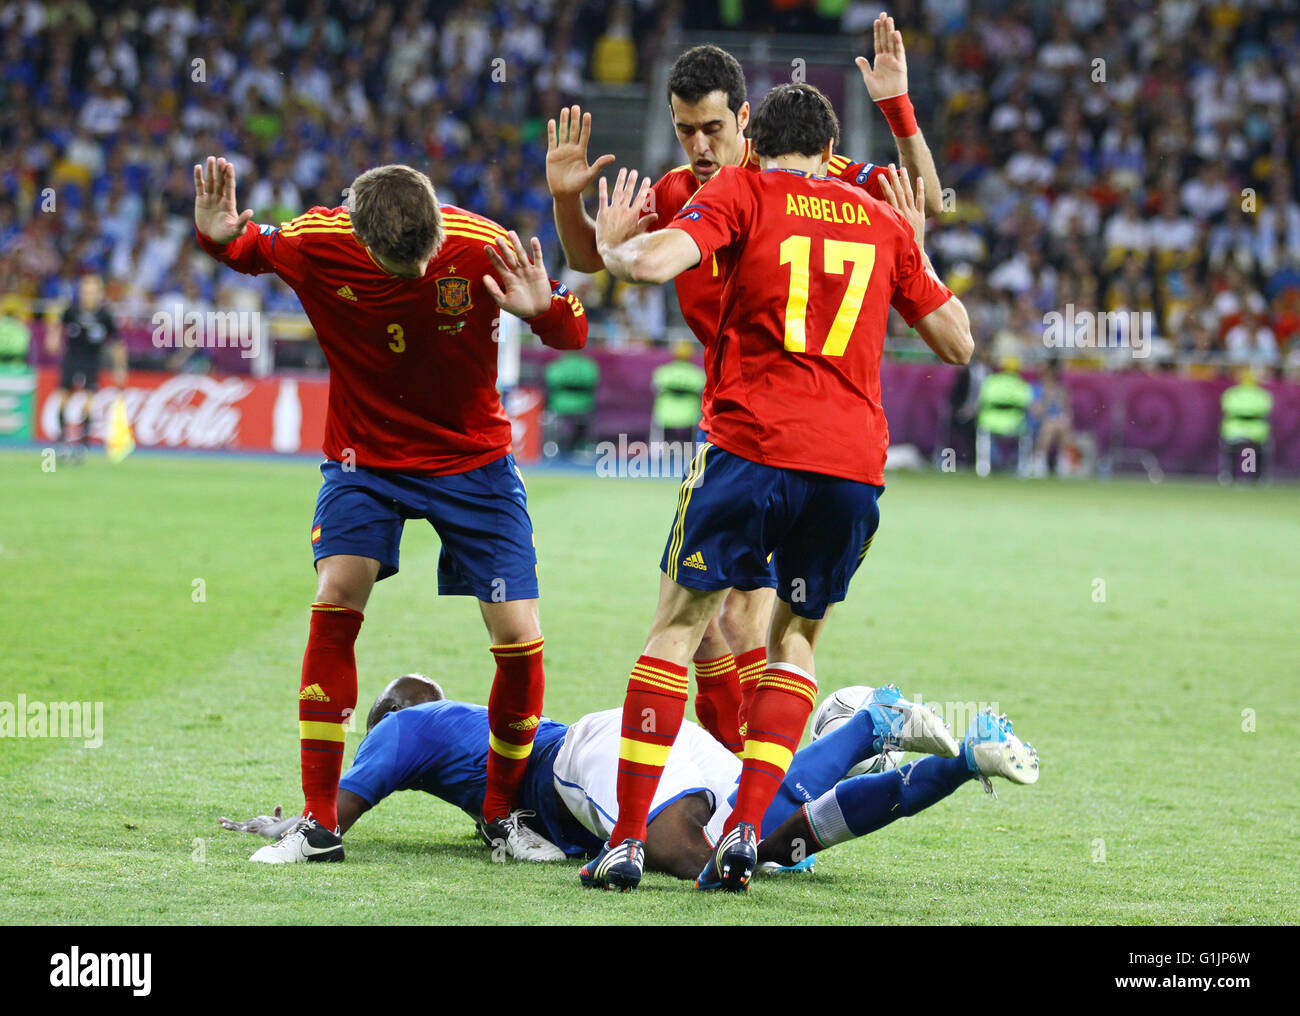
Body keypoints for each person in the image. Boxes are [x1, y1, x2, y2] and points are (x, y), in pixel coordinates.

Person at [583, 82, 972, 892]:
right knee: (794, 640)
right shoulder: (881, 220)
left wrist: (614, 247)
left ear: (756, 146)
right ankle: (745, 833)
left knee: (679, 627)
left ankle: (624, 841)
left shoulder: (743, 188)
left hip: (752, 446)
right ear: (831, 152)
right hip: (849, 466)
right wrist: (918, 245)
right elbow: (958, 343)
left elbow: (653, 263)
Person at [546, 14, 946, 758]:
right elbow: (596, 258)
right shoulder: (678, 191)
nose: (698, 146)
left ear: (745, 121)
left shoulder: (807, 177)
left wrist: (897, 107)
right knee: (703, 629)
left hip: (793, 424)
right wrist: (570, 201)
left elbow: (927, 201)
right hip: (732, 418)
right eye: (684, 130)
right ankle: (750, 774)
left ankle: (753, 780)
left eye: (712, 129)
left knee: (728, 621)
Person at [193, 156, 588, 863]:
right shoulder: (318, 239)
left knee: (520, 639)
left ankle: (500, 817)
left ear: (440, 223)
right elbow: (245, 247)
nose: (419, 270)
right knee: (335, 595)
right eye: (399, 263)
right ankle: (319, 825)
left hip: (473, 463)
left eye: (427, 254)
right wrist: (217, 234)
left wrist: (547, 312)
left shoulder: (483, 244)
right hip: (364, 461)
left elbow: (572, 330)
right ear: (360, 236)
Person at [220, 674, 1039, 881]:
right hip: (651, 750)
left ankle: (868, 726)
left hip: (586, 759)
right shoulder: (460, 743)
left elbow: (343, 804)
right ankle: (951, 759)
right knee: (773, 839)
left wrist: (307, 822)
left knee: (705, 854)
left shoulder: (416, 726)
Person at [46, 273, 126, 458]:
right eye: (85, 291)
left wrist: (120, 367)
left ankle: (83, 443)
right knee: (64, 398)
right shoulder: (71, 311)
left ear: (99, 293)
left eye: (92, 291)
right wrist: (53, 339)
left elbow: (118, 343)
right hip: (72, 357)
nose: (88, 295)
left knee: (89, 402)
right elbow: (57, 326)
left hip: (92, 360)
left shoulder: (105, 316)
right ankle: (62, 440)